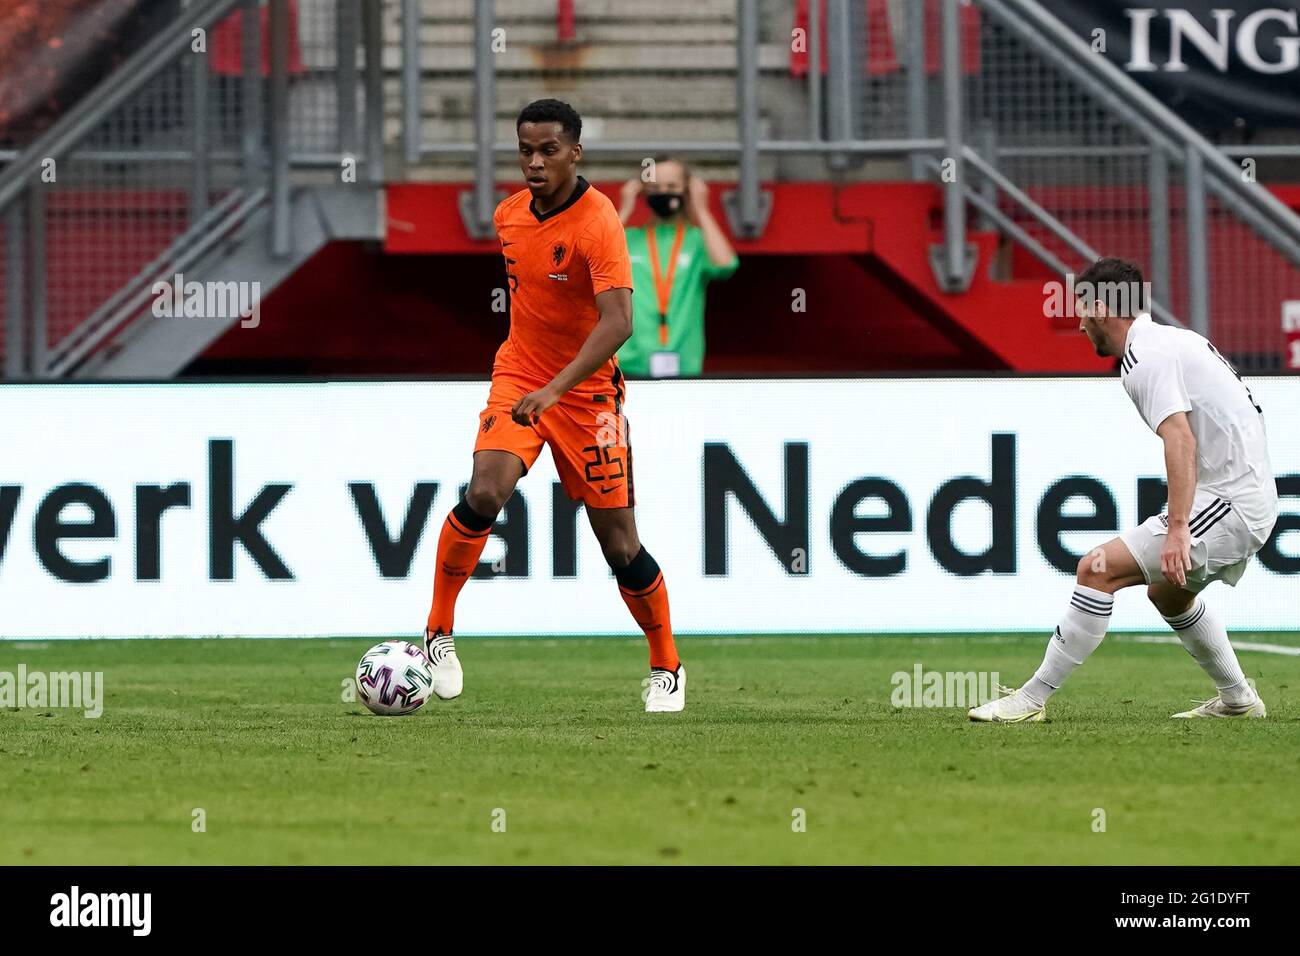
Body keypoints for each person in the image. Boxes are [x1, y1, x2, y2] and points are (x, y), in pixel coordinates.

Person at [421, 99, 685, 713]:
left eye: (547, 151)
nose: (533, 164)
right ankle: (437, 633)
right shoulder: (509, 216)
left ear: (575, 152)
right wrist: (535, 385)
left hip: (587, 395)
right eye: (524, 151)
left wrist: (558, 389)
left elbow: (619, 323)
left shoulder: (599, 223)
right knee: (485, 490)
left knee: (619, 545)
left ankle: (666, 666)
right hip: (519, 376)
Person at [969, 257, 1279, 722]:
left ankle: (1030, 700)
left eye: (1081, 310)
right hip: (1242, 497)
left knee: (1096, 570)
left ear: (1100, 306)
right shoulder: (1171, 341)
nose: (1078, 324)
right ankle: (1238, 699)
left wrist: (1178, 531)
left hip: (1231, 502)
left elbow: (1181, 439)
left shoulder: (1144, 357)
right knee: (1167, 595)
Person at [616, 157, 738, 377]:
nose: (663, 192)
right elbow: (591, 259)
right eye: (655, 187)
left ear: (687, 190)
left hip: (685, 362)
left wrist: (701, 210)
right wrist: (624, 209)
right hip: (629, 363)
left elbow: (726, 265)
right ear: (643, 191)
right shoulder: (628, 238)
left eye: (672, 186)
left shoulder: (696, 240)